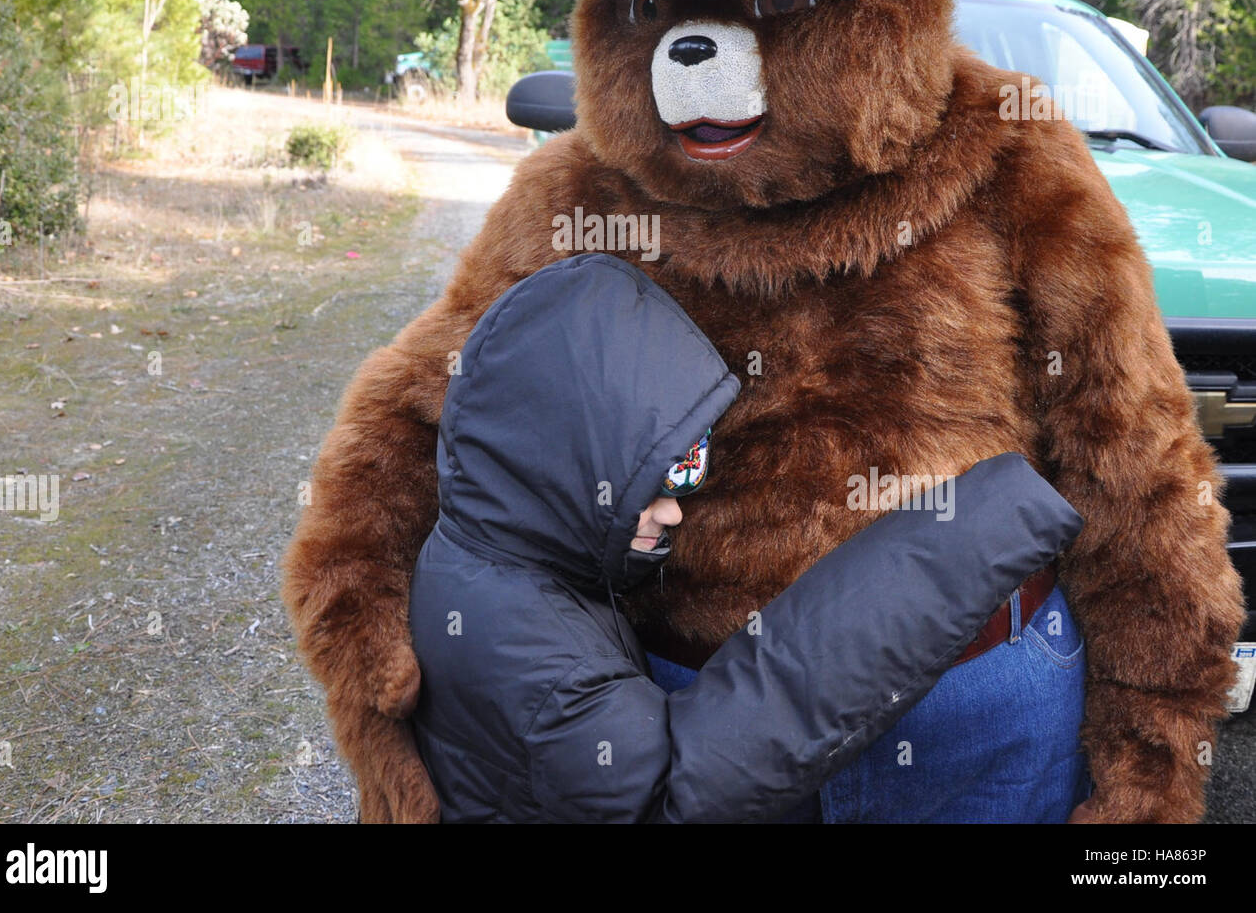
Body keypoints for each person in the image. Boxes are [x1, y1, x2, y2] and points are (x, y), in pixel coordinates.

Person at [407, 253, 1083, 823]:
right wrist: (973, 533)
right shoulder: (531, 652)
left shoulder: (492, 553)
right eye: (661, 479)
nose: (677, 513)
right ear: (559, 462)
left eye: (690, 473)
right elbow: (678, 785)